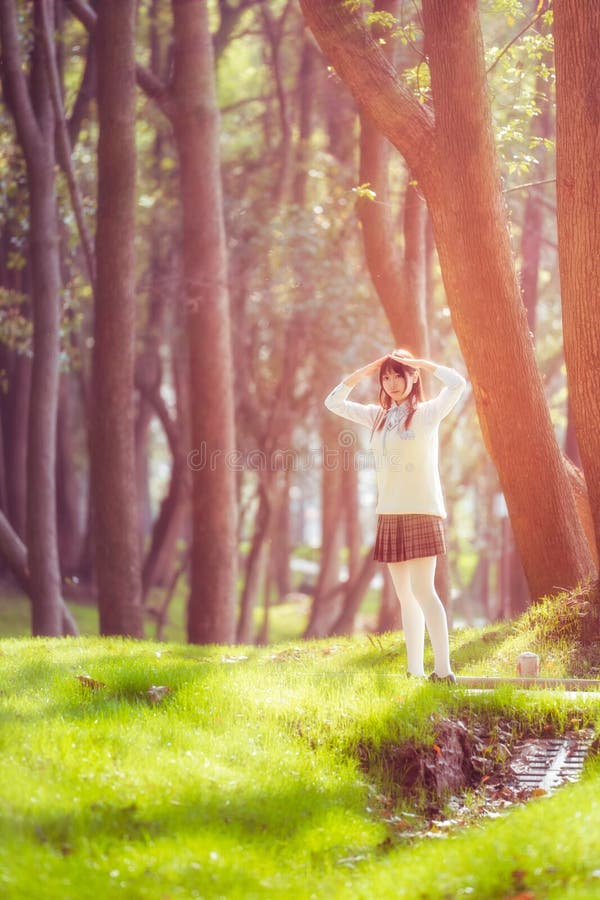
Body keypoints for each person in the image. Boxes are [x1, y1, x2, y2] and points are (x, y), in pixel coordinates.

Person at [324, 349, 466, 682]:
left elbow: (457, 383)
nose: (391, 383)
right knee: (404, 596)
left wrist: (422, 363)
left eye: (398, 375)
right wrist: (364, 370)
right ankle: (414, 671)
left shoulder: (428, 413)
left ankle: (444, 671)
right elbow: (333, 402)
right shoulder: (377, 417)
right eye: (385, 377)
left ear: (413, 377)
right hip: (389, 512)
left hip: (421, 510)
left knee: (423, 591)